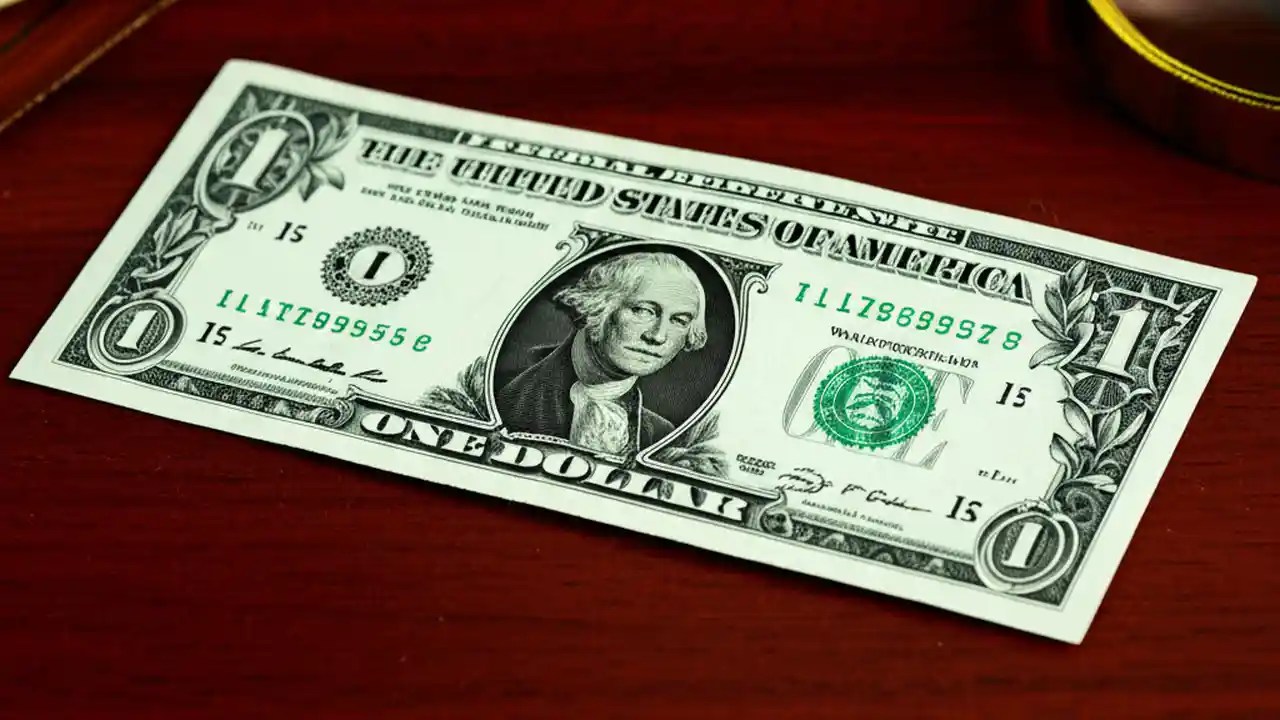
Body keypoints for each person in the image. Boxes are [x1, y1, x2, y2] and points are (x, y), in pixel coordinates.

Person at [496, 251, 708, 455]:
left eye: (679, 321)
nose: (658, 336)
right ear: (597, 307)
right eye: (643, 311)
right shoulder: (501, 390)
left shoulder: (661, 434)